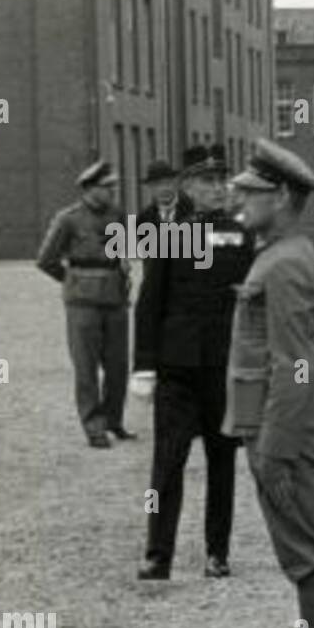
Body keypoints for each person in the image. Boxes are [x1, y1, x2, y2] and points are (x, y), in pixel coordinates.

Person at [224, 138, 314, 628]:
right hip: (272, 425)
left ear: (285, 197)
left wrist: (274, 446)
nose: (238, 196)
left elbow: (296, 366)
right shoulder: (279, 251)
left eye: (253, 191)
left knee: (308, 554)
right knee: (299, 554)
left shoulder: (287, 262)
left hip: (284, 431)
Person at [133, 146, 255, 581]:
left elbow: (254, 302)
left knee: (223, 463)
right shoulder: (170, 235)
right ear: (187, 187)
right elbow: (149, 305)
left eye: (222, 180)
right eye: (207, 181)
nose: (217, 188)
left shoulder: (243, 238)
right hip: (177, 367)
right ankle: (157, 551)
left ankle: (217, 552)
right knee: (167, 462)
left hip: (223, 367)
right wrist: (144, 366)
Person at [36, 160, 134, 448]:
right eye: (107, 187)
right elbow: (45, 260)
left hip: (115, 300)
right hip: (83, 304)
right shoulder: (68, 219)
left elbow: (124, 250)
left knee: (118, 366)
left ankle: (114, 420)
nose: (113, 191)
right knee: (86, 367)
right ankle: (94, 427)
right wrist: (73, 280)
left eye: (113, 186)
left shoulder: (118, 215)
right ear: (90, 189)